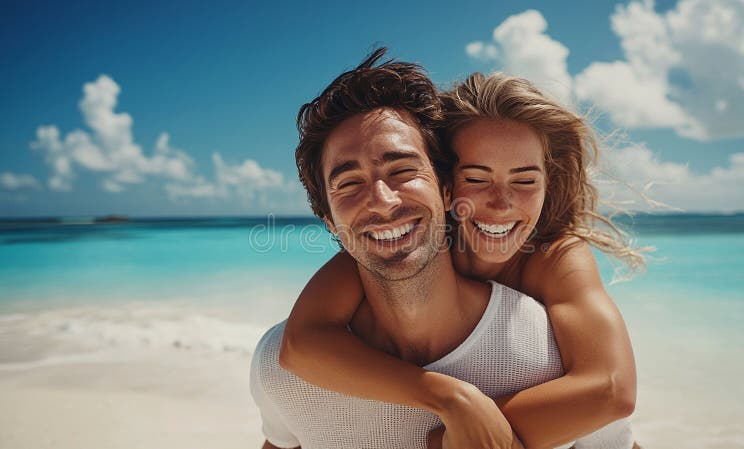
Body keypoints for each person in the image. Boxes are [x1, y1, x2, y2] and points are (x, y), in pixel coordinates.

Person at [251, 48, 638, 449]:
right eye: (477, 176)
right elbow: (301, 345)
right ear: (450, 185)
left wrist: (443, 441)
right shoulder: (391, 243)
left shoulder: (554, 259)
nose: (501, 204)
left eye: (524, 181)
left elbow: (611, 390)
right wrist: (452, 399)